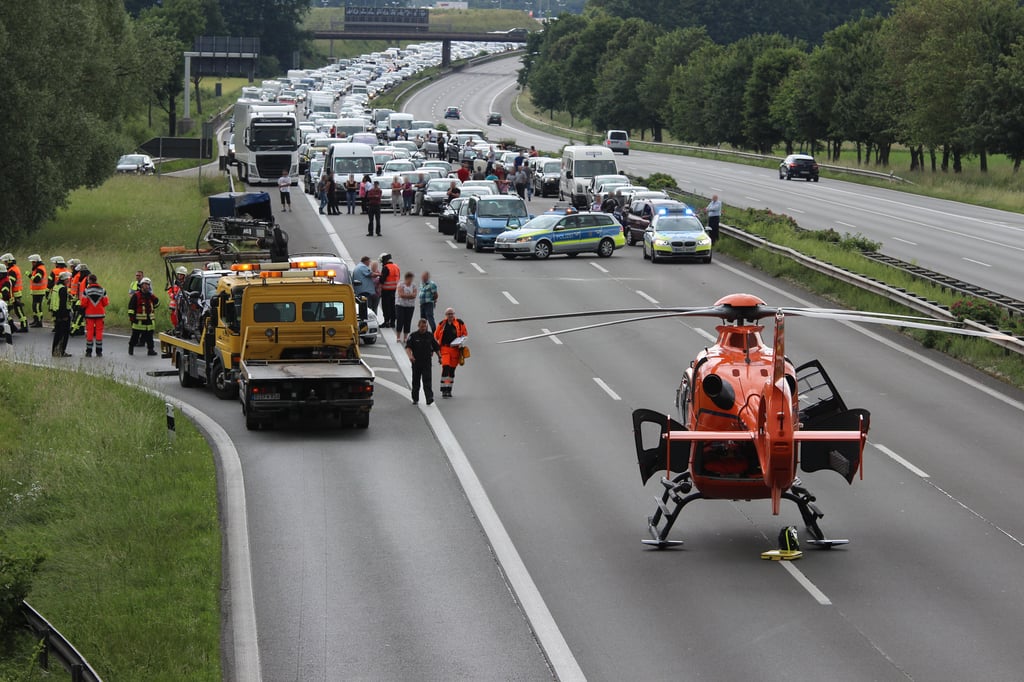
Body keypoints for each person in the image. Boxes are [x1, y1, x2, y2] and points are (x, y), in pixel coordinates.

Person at [406, 319, 441, 405]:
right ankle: (415, 398)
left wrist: (440, 357)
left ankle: (429, 398)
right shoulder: (413, 336)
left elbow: (436, 347)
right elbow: (408, 348)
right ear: (418, 326)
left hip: (427, 362)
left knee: (427, 380)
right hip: (416, 362)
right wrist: (410, 356)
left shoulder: (429, 335)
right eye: (422, 327)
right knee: (416, 381)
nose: (423, 328)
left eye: (425, 327)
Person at [434, 308, 468, 398]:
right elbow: (436, 336)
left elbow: (465, 334)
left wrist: (461, 341)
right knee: (446, 367)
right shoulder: (442, 324)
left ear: (454, 314)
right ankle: (444, 390)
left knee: (452, 370)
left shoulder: (460, 323)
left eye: (451, 314)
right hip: (445, 349)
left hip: (455, 350)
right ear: (446, 315)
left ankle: (449, 389)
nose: (450, 316)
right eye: (448, 314)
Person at [127, 277, 159, 356]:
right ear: (141, 285)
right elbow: (131, 308)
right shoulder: (136, 295)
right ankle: (131, 347)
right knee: (135, 336)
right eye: (145, 284)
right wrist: (132, 318)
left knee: (149, 338)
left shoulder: (151, 296)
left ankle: (150, 350)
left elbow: (156, 304)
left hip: (149, 321)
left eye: (148, 285)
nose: (147, 286)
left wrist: (155, 299)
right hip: (138, 322)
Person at [80, 274, 109, 357]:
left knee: (90, 332)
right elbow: (106, 302)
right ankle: (99, 351)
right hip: (100, 314)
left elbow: (83, 303)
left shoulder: (86, 291)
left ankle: (89, 351)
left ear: (90, 281)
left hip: (89, 314)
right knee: (99, 332)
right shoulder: (103, 290)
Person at [1, 254, 26, 332]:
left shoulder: (12, 271)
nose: (4, 263)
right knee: (15, 310)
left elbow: (10, 283)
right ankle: (16, 327)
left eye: (5, 262)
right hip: (15, 292)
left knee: (18, 310)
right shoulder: (14, 268)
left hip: (14, 293)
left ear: (9, 261)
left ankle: (24, 326)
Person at [50, 270, 72, 357]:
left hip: (56, 313)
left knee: (57, 334)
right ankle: (61, 351)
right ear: (65, 280)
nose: (69, 280)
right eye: (68, 279)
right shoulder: (63, 289)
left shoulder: (56, 287)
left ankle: (55, 351)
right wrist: (65, 316)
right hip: (63, 314)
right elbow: (62, 303)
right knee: (64, 334)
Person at [394, 271, 418, 343]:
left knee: (408, 321)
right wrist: (409, 295)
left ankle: (405, 337)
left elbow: (414, 295)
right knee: (400, 320)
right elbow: (401, 295)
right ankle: (398, 336)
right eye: (410, 279)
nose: (411, 280)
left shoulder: (413, 285)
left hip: (410, 306)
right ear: (406, 278)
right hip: (400, 305)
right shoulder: (401, 284)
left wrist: (407, 296)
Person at [378, 253, 400, 327]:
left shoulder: (386, 267)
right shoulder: (396, 266)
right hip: (394, 290)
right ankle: (393, 322)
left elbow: (382, 280)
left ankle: (386, 321)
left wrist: (379, 278)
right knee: (393, 307)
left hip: (386, 291)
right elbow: (398, 277)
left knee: (386, 307)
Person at [28, 254, 46, 328]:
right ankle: (35, 320)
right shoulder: (37, 268)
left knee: (37, 307)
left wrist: (29, 275)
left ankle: (39, 322)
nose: (32, 263)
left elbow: (37, 279)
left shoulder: (40, 269)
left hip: (39, 291)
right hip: (36, 291)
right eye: (32, 262)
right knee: (34, 306)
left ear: (37, 262)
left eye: (33, 262)